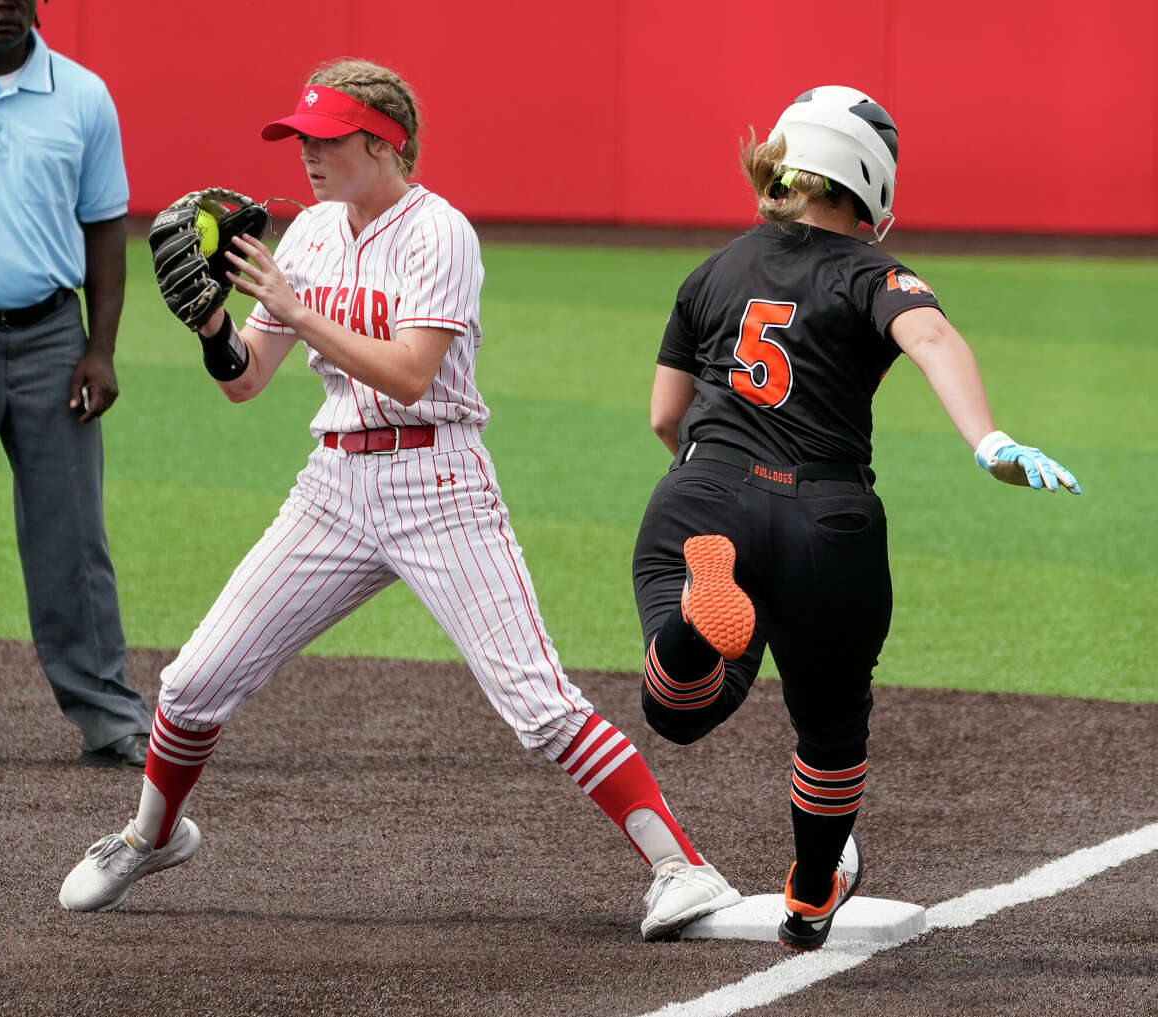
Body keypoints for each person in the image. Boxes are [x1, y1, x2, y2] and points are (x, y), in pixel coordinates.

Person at [59, 57, 740, 938]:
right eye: (299, 138)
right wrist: (214, 326)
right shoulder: (303, 234)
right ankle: (148, 836)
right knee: (191, 684)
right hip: (334, 486)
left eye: (326, 138)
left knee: (536, 701)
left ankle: (682, 867)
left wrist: (298, 314)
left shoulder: (439, 233)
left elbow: (414, 375)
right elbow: (245, 381)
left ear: (384, 143)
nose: (306, 153)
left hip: (438, 483)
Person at [631, 85, 1080, 951]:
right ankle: (808, 889)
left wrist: (722, 484)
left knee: (681, 711)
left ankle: (694, 630)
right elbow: (932, 339)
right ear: (868, 182)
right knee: (831, 723)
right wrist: (988, 439)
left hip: (705, 491)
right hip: (828, 518)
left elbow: (664, 415)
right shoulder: (878, 272)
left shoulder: (712, 270)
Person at [0, 0, 151, 768]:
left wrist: (100, 348)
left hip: (49, 338)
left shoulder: (82, 94)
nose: (2, 5)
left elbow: (105, 224)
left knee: (72, 542)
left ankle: (109, 715)